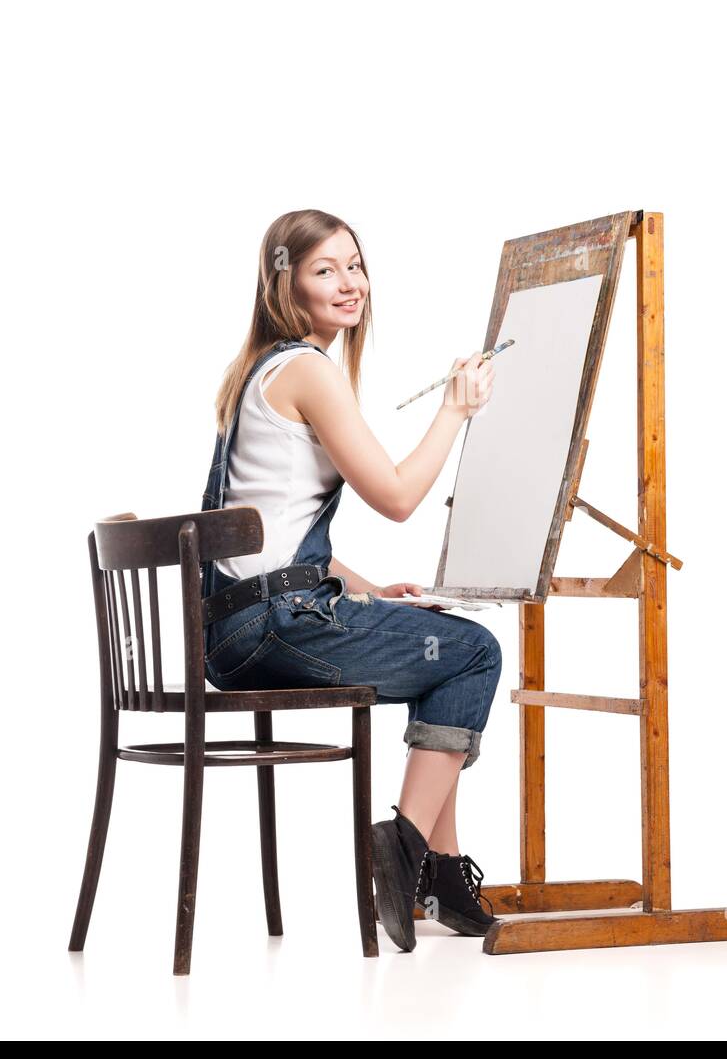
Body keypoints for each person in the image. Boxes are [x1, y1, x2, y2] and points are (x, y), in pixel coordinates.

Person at [200, 209, 504, 951]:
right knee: (474, 652)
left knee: (444, 653)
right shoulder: (307, 369)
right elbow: (398, 497)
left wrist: (368, 591)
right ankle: (401, 851)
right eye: (324, 270)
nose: (349, 284)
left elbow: (269, 536)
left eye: (356, 265)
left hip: (236, 630)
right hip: (277, 627)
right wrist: (455, 410)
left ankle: (440, 872)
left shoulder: (260, 370)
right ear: (286, 285)